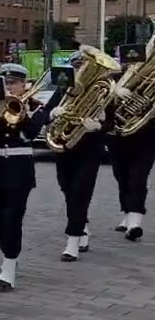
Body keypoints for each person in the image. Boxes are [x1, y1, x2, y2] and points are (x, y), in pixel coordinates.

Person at [0, 64, 49, 291]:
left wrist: (23, 113)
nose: (9, 87)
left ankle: (9, 263)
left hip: (20, 167)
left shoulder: (36, 107)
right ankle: (7, 253)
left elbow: (31, 133)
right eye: (6, 83)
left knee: (13, 216)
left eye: (14, 83)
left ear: (23, 85)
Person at [44, 50, 111, 261]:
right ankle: (82, 223)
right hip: (64, 148)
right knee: (68, 189)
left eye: (84, 67)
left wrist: (99, 125)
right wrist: (53, 113)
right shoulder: (65, 89)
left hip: (90, 150)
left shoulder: (104, 91)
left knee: (80, 191)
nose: (80, 72)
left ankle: (73, 239)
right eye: (77, 68)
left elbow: (114, 122)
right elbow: (46, 113)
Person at [108, 49, 155, 242]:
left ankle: (135, 221)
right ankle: (127, 212)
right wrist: (115, 91)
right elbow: (103, 96)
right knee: (121, 175)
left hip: (147, 136)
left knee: (138, 177)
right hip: (119, 135)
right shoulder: (116, 76)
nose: (134, 66)